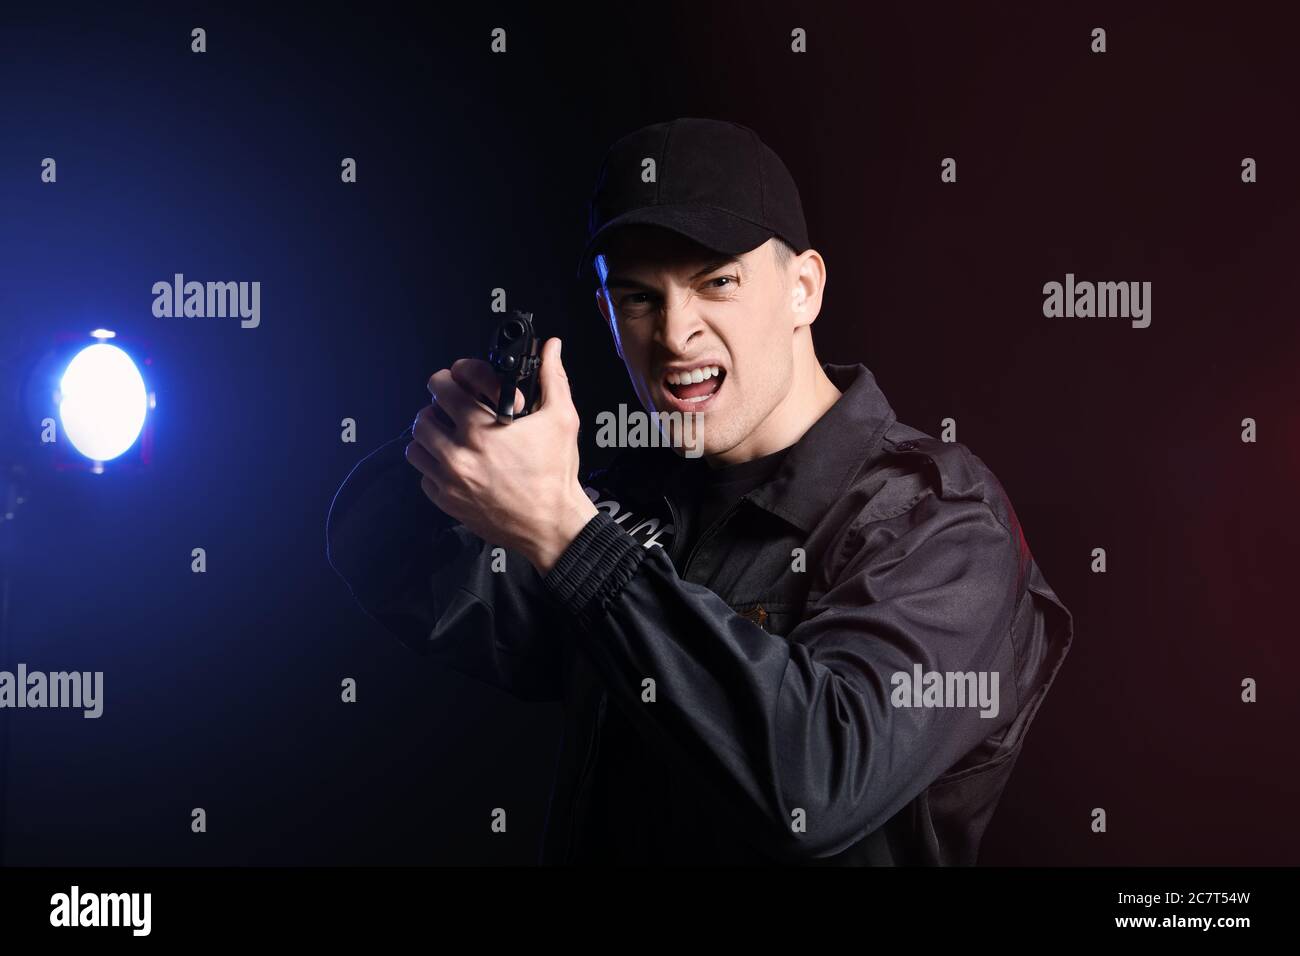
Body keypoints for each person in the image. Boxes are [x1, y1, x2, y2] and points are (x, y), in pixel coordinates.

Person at [326, 117, 1074, 865]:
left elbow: (817, 785)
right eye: (640, 299)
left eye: (717, 282)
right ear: (607, 320)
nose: (677, 333)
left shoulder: (940, 522)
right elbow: (398, 569)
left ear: (802, 290)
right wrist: (458, 448)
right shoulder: (629, 499)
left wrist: (567, 535)